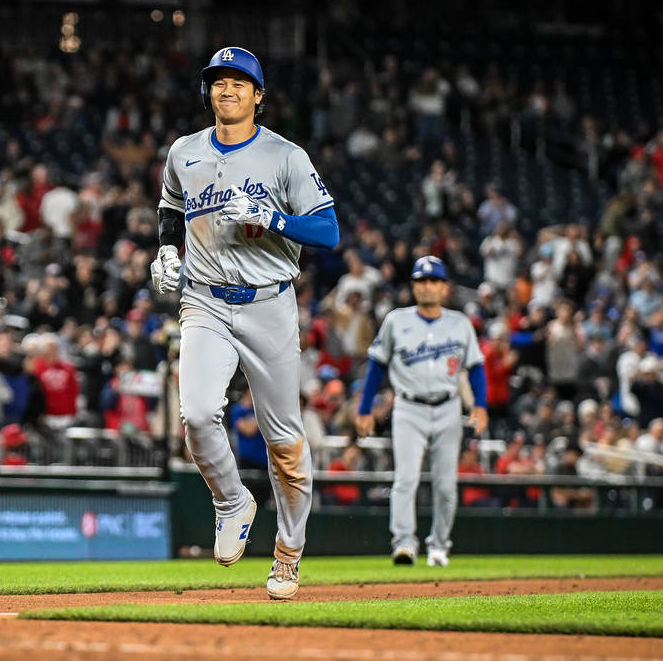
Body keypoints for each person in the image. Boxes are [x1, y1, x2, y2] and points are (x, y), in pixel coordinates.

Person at [149, 45, 339, 600]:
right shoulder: (184, 151)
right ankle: (232, 502)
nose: (226, 90)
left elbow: (328, 233)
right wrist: (166, 252)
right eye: (217, 82)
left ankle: (287, 555)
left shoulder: (286, 156)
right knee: (198, 412)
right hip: (204, 300)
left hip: (269, 303)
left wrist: (275, 217)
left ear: (258, 94)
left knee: (284, 441)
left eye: (239, 82)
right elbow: (171, 206)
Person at [355, 256, 488, 567]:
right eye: (421, 281)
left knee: (445, 485)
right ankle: (403, 543)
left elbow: (476, 367)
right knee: (406, 479)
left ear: (444, 287)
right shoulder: (396, 320)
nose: (427, 287)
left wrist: (480, 405)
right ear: (414, 286)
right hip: (408, 407)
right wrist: (365, 409)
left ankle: (439, 546)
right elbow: (376, 367)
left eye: (433, 281)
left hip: (448, 407)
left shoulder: (460, 323)